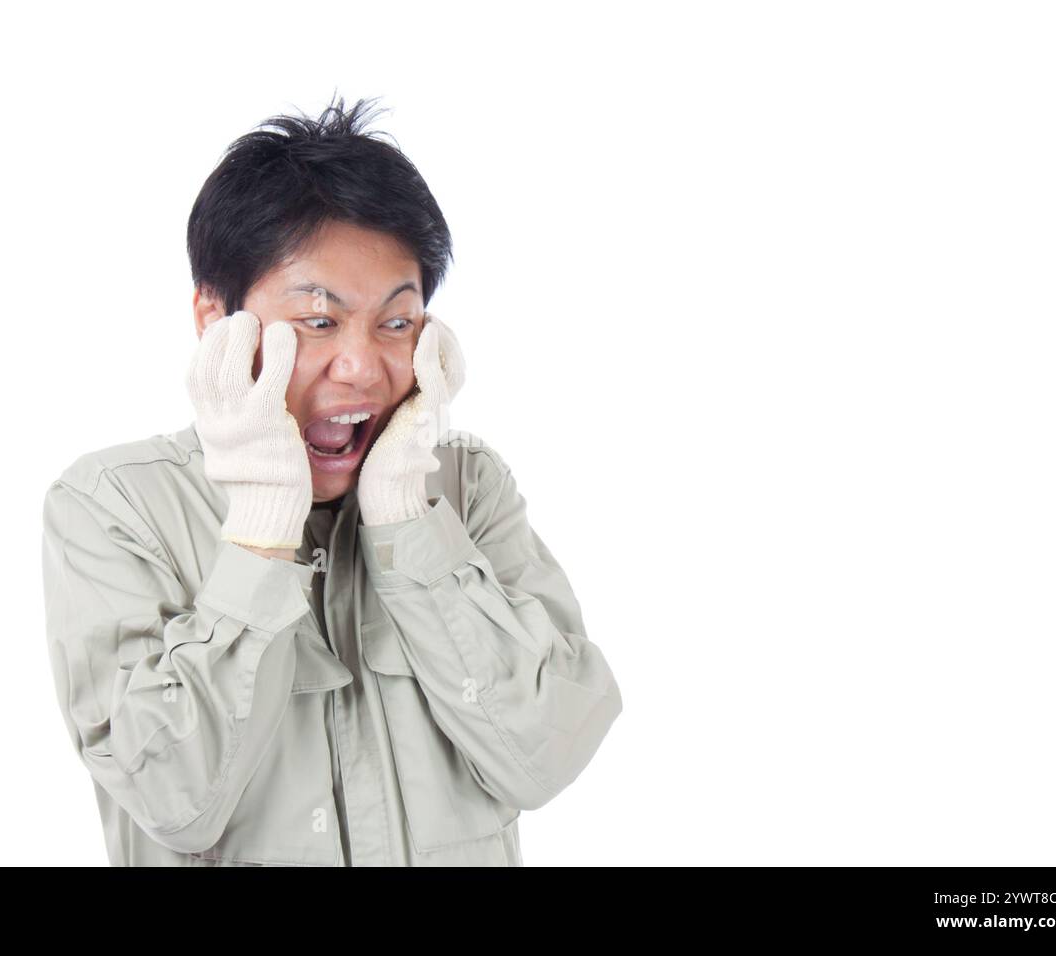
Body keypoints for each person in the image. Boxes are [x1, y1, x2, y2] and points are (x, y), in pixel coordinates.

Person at [40, 95, 622, 866]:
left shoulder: (468, 487)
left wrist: (409, 526)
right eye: (318, 321)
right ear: (215, 322)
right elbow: (176, 804)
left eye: (396, 321)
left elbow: (545, 755)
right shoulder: (114, 506)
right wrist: (259, 530)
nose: (363, 367)